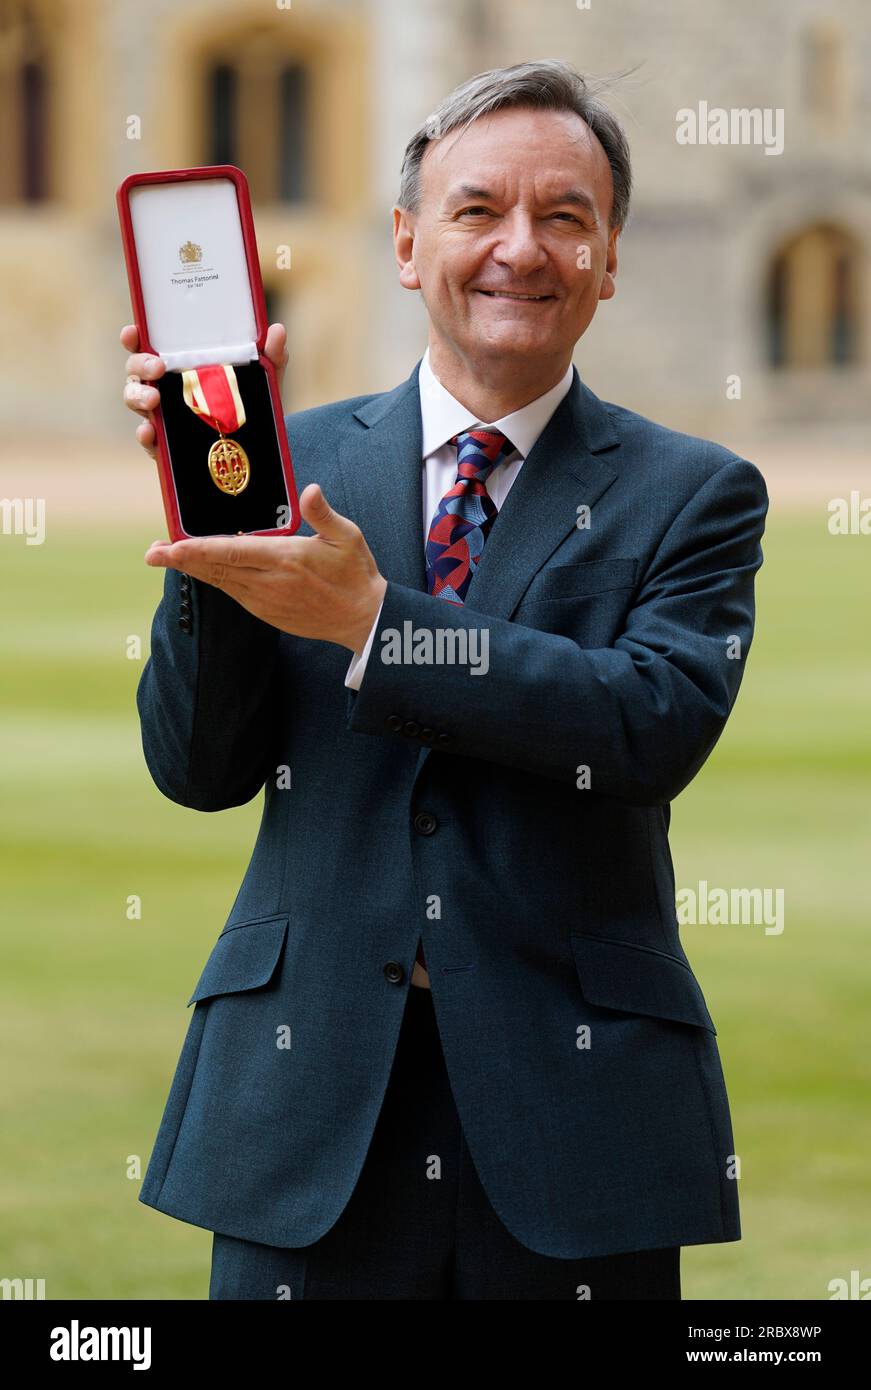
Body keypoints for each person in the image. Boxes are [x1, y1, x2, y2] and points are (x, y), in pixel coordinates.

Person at [121, 59, 768, 1300]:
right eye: (478, 211)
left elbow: (642, 725)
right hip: (305, 1114)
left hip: (577, 1121)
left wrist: (374, 621)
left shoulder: (695, 491)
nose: (519, 249)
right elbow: (198, 772)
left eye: (564, 217)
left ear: (611, 254)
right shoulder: (292, 460)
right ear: (410, 245)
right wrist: (205, 534)